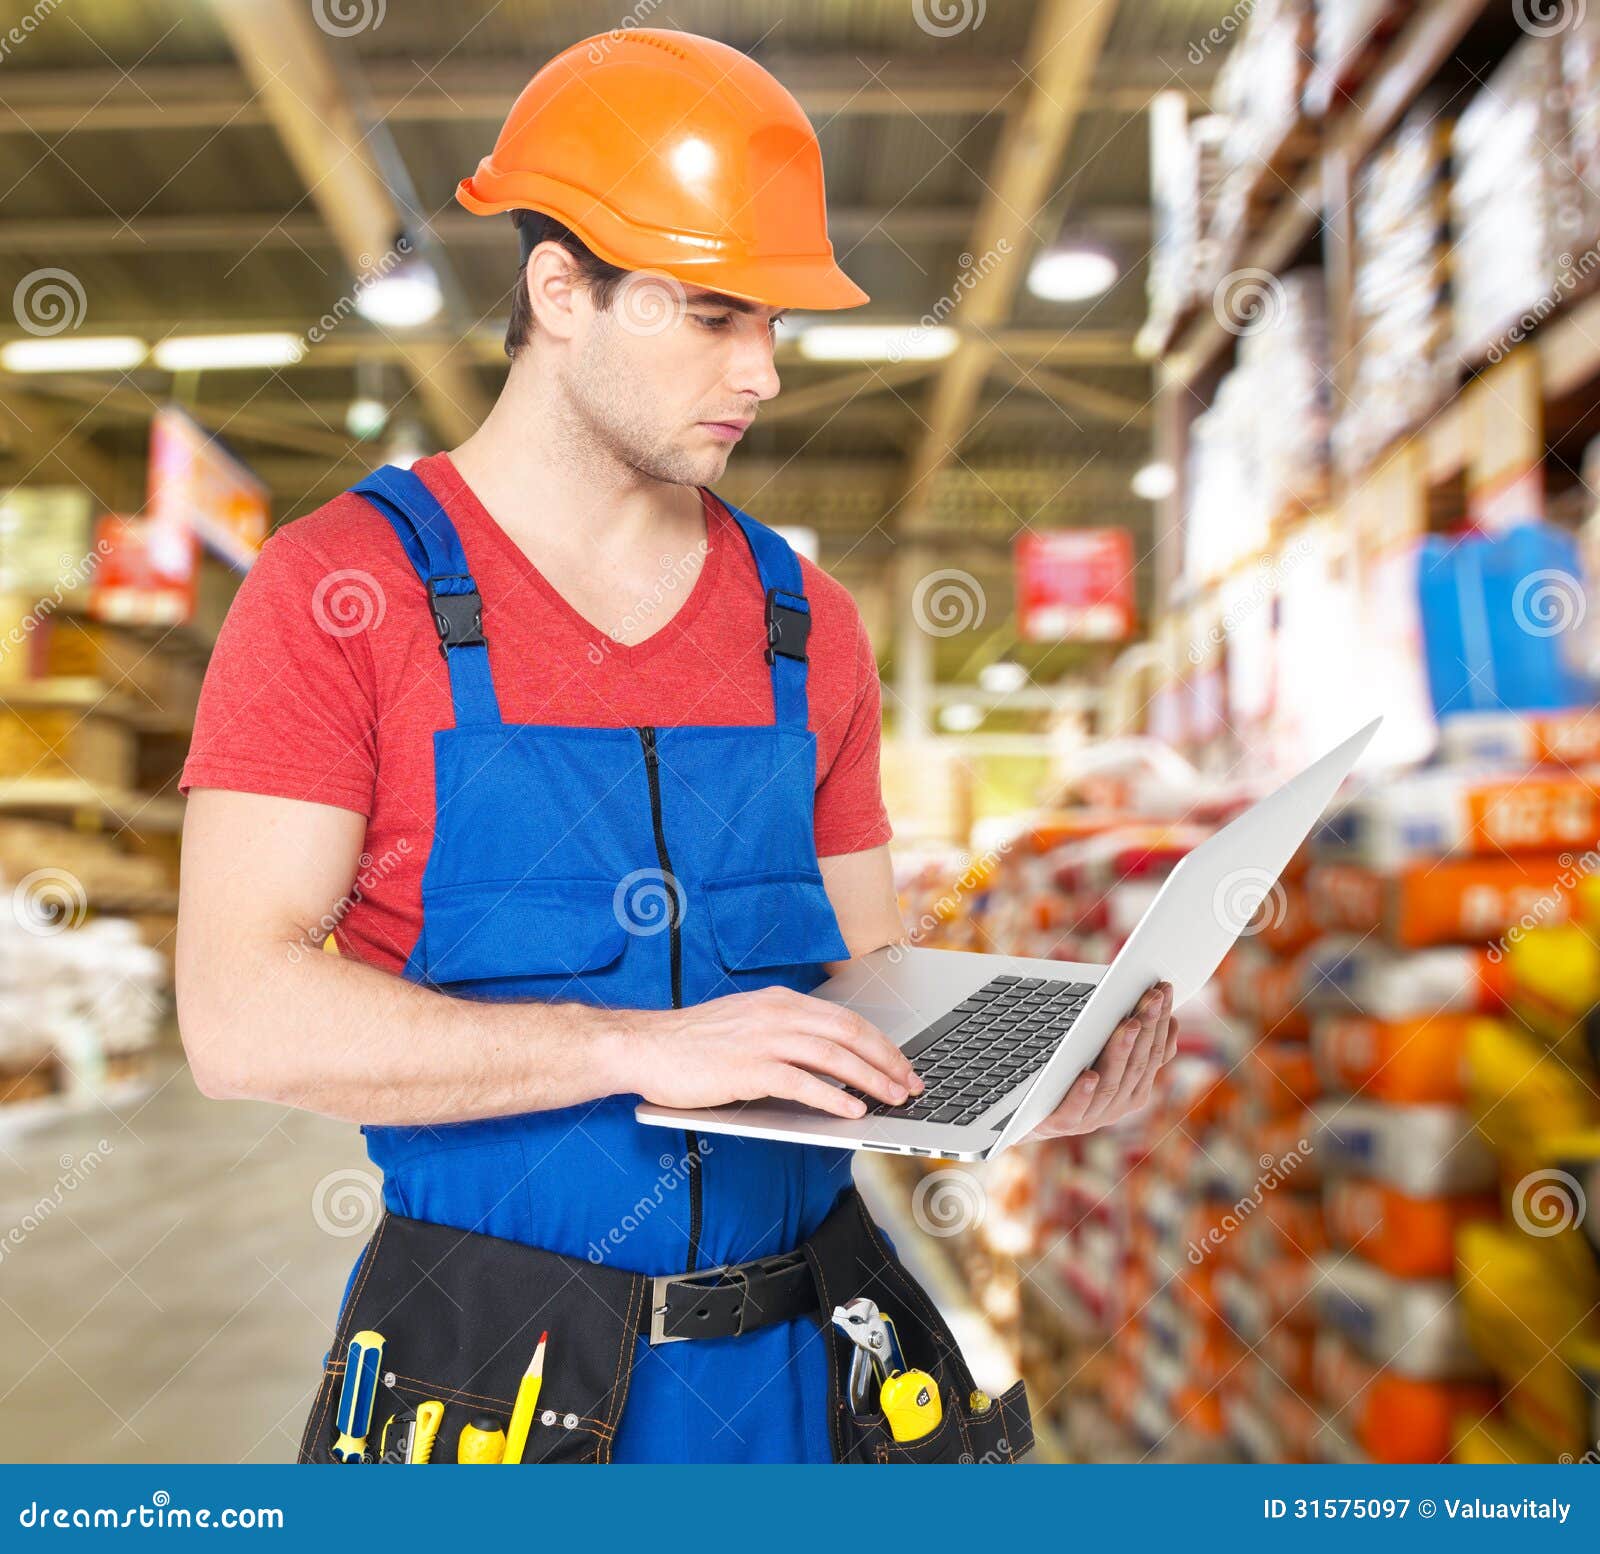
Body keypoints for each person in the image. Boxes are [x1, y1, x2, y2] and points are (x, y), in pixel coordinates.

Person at [175, 27, 1174, 1464]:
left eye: (776, 321)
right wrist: (635, 1046)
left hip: (818, 1373)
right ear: (560, 289)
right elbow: (238, 1014)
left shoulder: (805, 620)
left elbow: (868, 987)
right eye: (715, 313)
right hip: (495, 1383)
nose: (763, 371)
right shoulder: (346, 592)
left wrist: (1008, 1084)